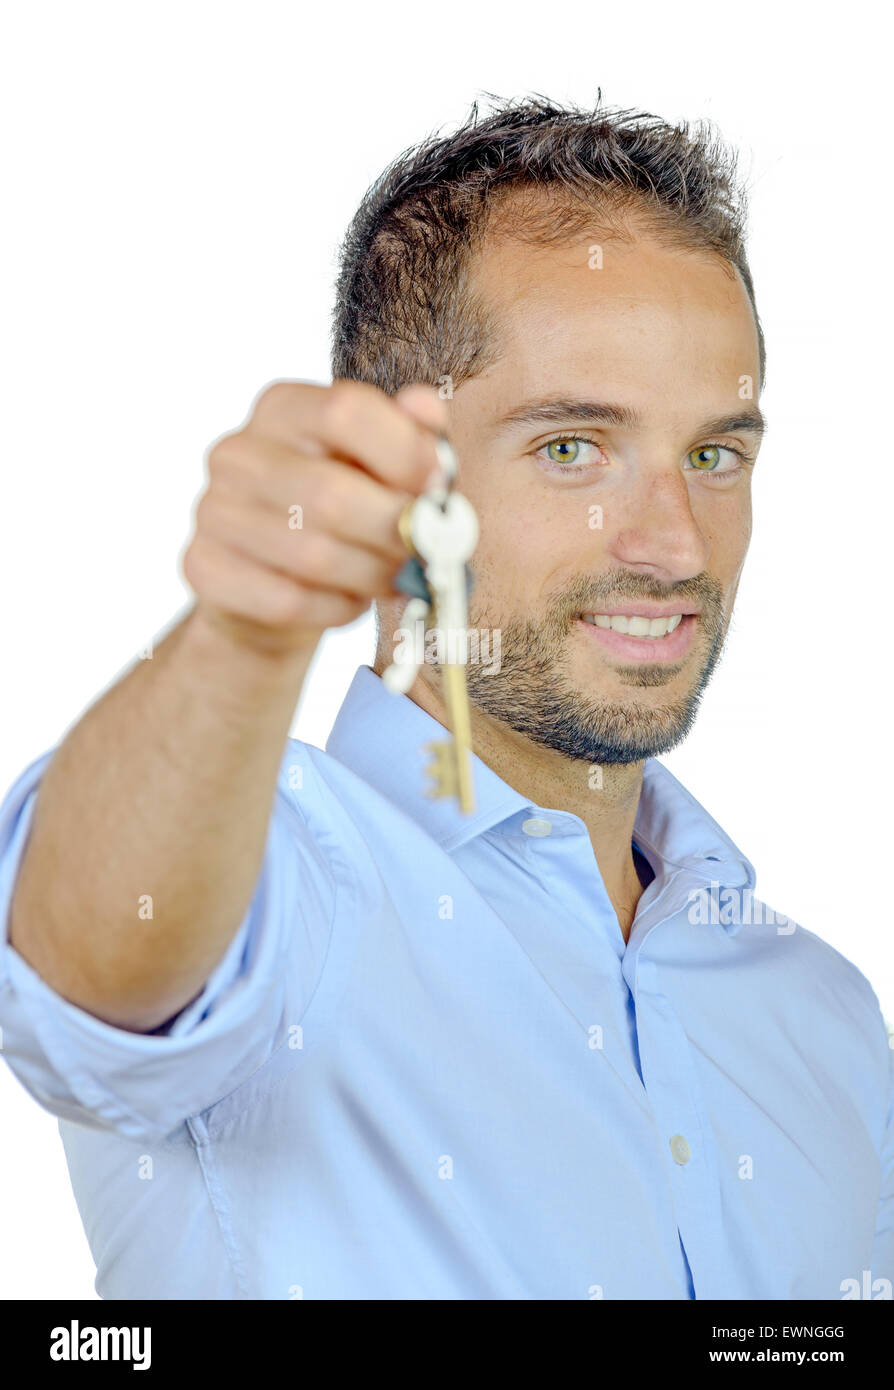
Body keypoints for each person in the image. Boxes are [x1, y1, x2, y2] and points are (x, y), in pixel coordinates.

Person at [1, 95, 891, 1301]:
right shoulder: (269, 900)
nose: (676, 543)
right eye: (573, 446)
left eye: (714, 454)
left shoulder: (826, 1011)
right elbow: (80, 960)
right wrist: (244, 631)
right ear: (407, 479)